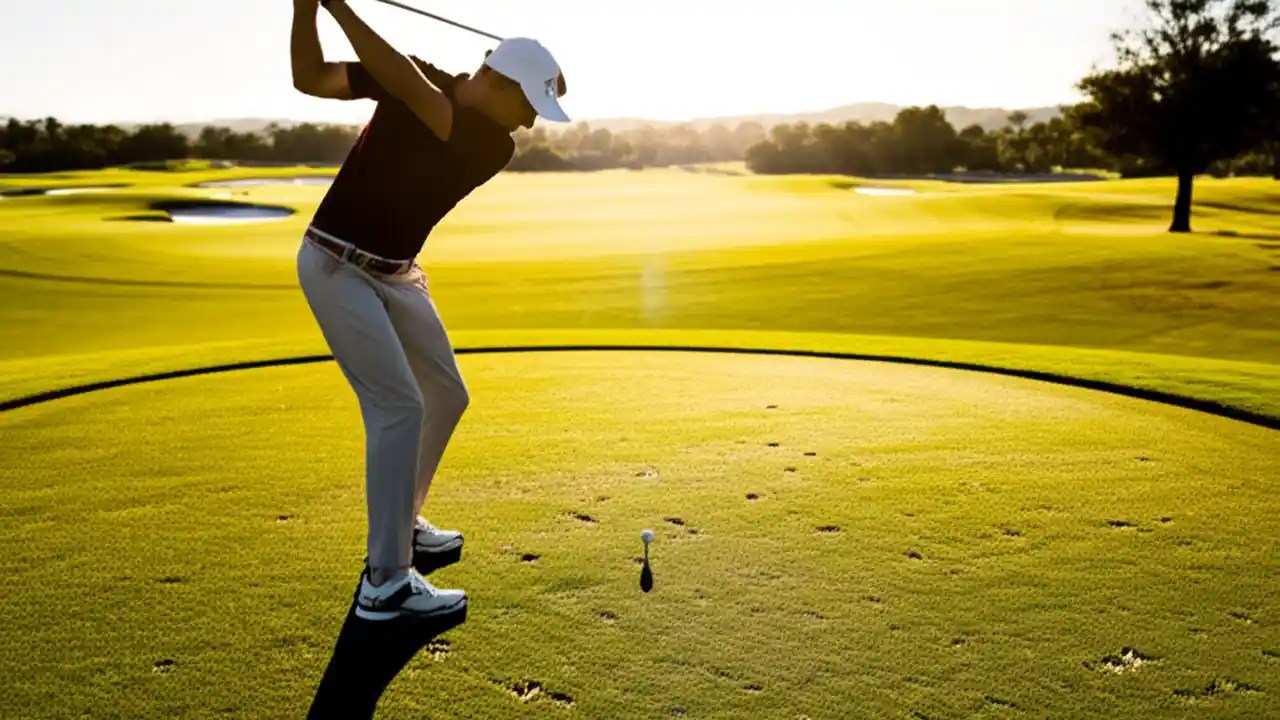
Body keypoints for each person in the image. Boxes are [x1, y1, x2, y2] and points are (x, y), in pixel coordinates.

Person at [290, 0, 569, 621]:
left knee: (445, 394)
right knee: (399, 405)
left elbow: (411, 90)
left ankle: (401, 523)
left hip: (396, 275)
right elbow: (310, 78)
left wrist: (337, 5)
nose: (529, 123)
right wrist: (305, 11)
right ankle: (384, 581)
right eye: (527, 104)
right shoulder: (412, 78)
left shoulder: (491, 144)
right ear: (496, 80)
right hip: (336, 266)